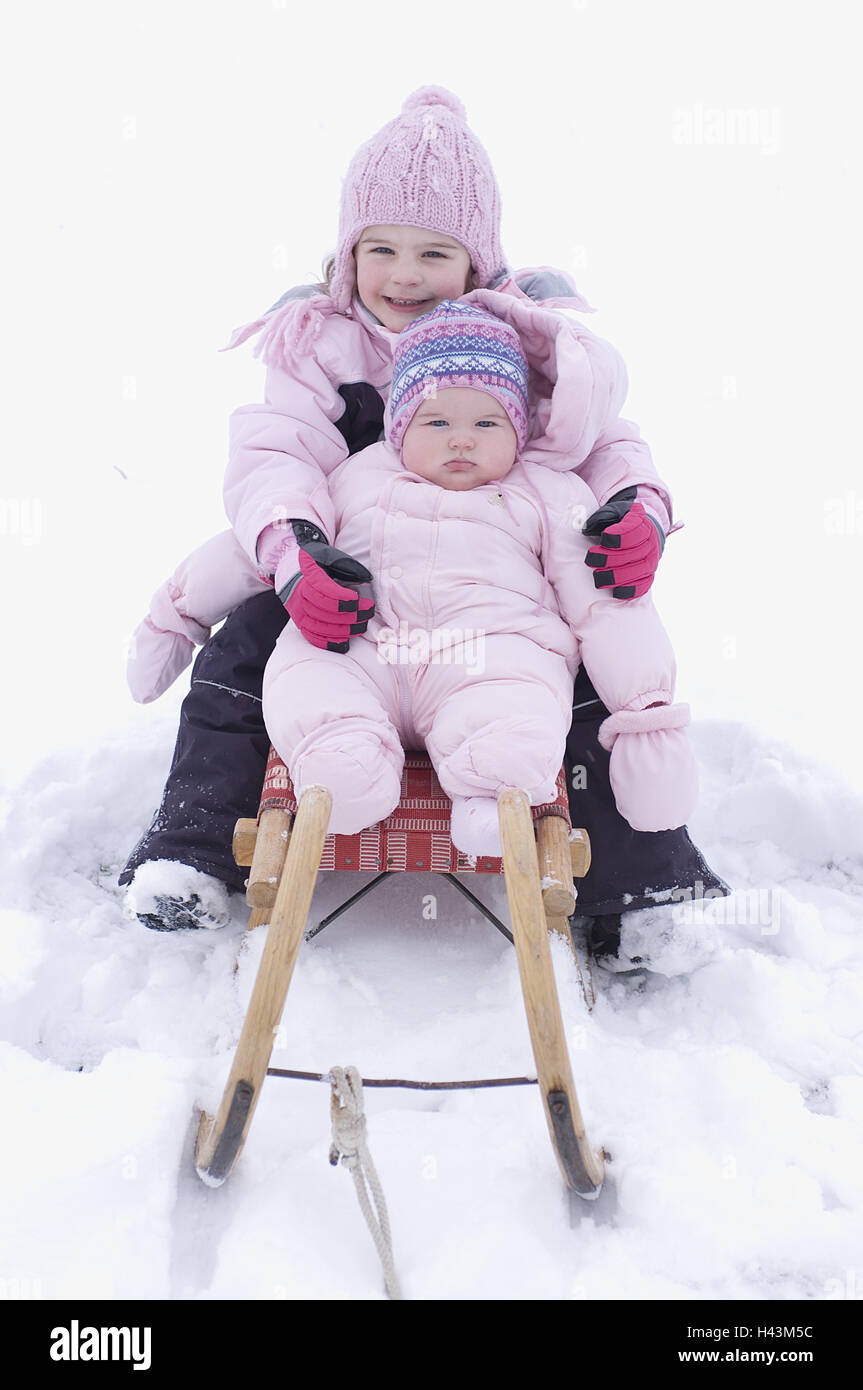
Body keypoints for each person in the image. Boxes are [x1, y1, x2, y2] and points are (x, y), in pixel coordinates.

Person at [121, 86, 727, 952]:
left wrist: (639, 509)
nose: (403, 276)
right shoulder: (318, 345)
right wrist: (295, 558)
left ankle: (639, 887)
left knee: (596, 661)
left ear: (476, 262)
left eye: (433, 252)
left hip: (500, 581)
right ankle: (193, 849)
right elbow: (275, 458)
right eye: (381, 249)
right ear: (348, 252)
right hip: (345, 574)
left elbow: (602, 440)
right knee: (242, 649)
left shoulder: (529, 341)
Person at [262, 298, 697, 857]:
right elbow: (265, 539)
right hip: (364, 641)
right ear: (399, 427)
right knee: (309, 674)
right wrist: (179, 610)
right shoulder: (354, 476)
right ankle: (341, 760)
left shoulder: (551, 492)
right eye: (437, 421)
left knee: (517, 704)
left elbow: (608, 603)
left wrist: (648, 715)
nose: (461, 439)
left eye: (486, 423)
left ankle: (493, 790)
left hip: (489, 652)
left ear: (518, 429)